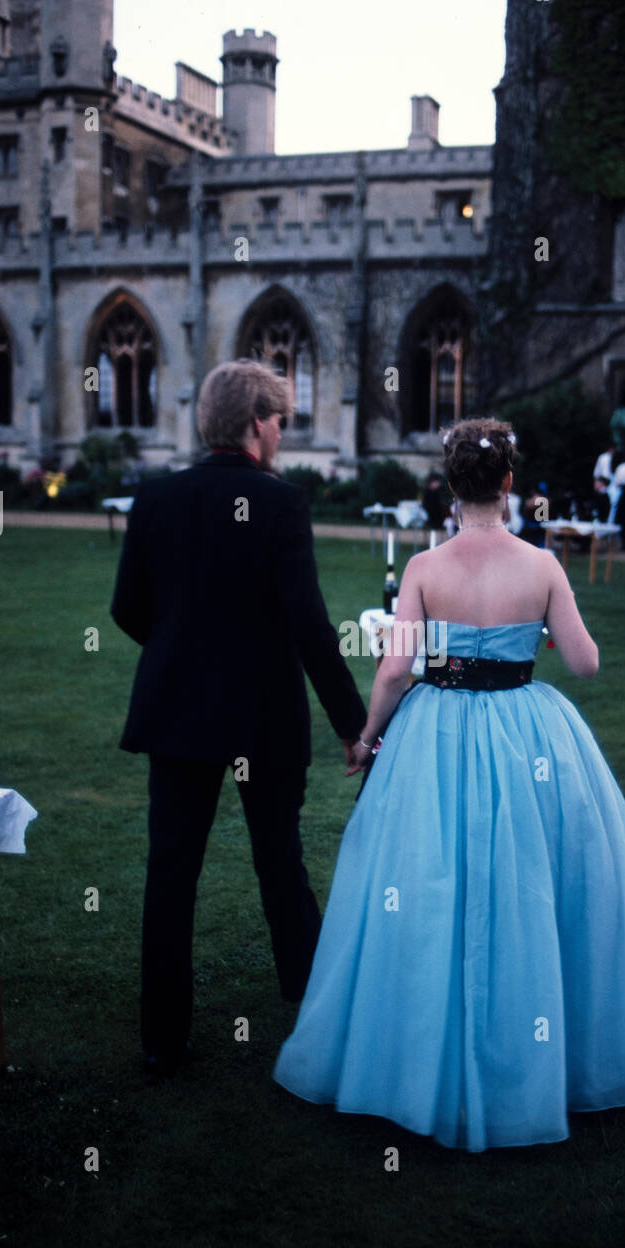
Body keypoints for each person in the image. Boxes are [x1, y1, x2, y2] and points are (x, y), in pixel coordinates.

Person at [273, 417, 625, 1151]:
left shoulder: (424, 568)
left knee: (426, 879)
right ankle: (548, 1044)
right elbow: (585, 662)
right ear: (508, 484)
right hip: (525, 727)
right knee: (541, 877)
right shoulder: (541, 567)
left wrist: (369, 736)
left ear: (448, 485)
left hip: (433, 729)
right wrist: (538, 625)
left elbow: (395, 670)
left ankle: (416, 1050)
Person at [111, 359, 367, 1083]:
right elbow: (311, 627)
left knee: (171, 873)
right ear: (256, 422)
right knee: (278, 860)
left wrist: (179, 652)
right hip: (261, 714)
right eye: (279, 418)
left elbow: (127, 610)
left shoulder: (156, 498)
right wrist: (352, 725)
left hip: (179, 711)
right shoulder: (280, 503)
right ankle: (312, 1000)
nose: (283, 430)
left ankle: (162, 1041)